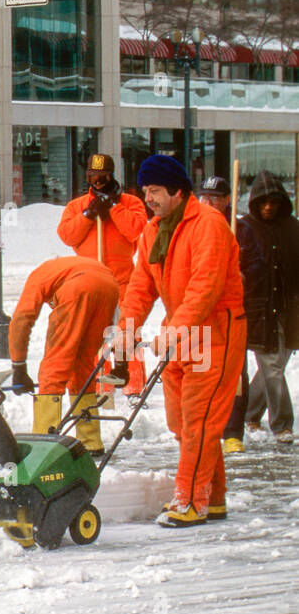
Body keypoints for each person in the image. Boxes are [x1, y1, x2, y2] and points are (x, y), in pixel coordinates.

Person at [111, 155, 246, 528]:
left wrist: (176, 330)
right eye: (145, 191)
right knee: (182, 421)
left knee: (200, 420)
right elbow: (141, 285)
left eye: (154, 191)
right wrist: (127, 328)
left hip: (214, 332)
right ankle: (213, 498)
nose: (148, 199)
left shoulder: (208, 225)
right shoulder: (154, 230)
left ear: (177, 191)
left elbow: (205, 287)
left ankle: (189, 501)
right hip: (182, 331)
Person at [9, 257, 121, 456]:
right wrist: (122, 361)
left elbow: (22, 319)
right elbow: (119, 323)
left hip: (76, 288)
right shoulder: (66, 269)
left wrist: (18, 366)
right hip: (110, 287)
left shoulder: (38, 277)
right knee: (83, 365)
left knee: (55, 364)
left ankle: (43, 443)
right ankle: (90, 441)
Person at [57, 152, 148, 392]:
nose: (97, 182)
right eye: (92, 177)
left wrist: (114, 207)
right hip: (91, 281)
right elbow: (67, 235)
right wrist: (88, 214)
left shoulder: (131, 203)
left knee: (127, 331)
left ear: (111, 176)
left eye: (102, 177)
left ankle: (133, 386)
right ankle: (100, 385)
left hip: (123, 280)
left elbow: (135, 230)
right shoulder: (76, 206)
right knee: (92, 334)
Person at [197, 175, 261, 455]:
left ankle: (233, 432)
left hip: (233, 313)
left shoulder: (242, 229)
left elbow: (258, 264)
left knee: (234, 373)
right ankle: (204, 427)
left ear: (226, 200)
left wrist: (243, 276)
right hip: (201, 311)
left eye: (215, 198)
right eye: (204, 197)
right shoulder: (193, 227)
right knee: (201, 371)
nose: (209, 203)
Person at [239, 172, 299, 446]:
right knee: (273, 366)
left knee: (274, 366)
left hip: (290, 309)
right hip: (260, 310)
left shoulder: (293, 227)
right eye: (263, 202)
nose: (268, 207)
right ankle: (282, 424)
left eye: (273, 202)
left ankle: (250, 412)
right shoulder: (245, 228)